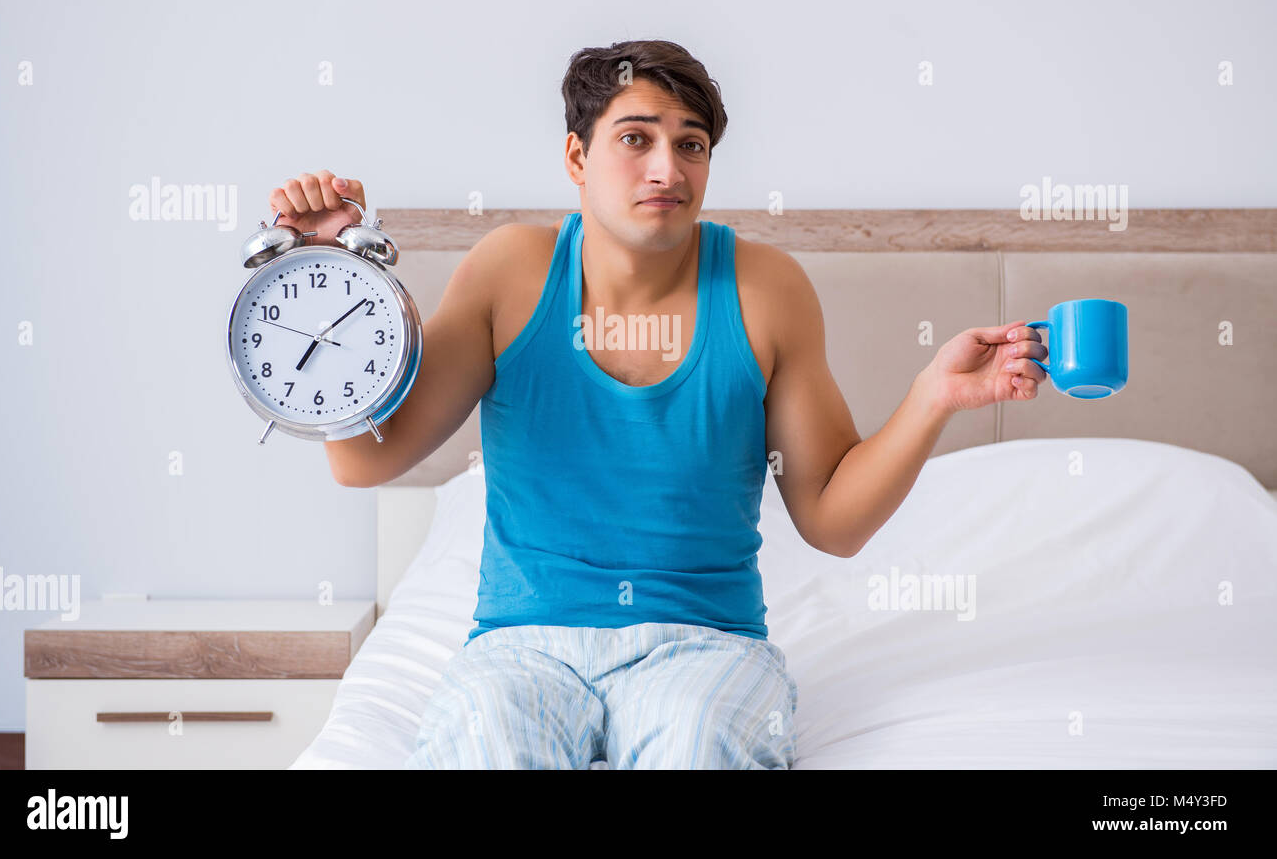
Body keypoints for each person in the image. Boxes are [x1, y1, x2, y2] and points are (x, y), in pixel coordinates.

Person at [270, 39, 1048, 769]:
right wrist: (334, 272)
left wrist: (932, 396)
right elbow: (361, 460)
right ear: (577, 156)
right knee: (486, 734)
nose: (666, 167)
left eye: (691, 144)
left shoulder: (764, 289)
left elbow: (831, 517)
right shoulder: (511, 272)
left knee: (697, 735)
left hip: (706, 647)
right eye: (636, 138)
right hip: (523, 646)